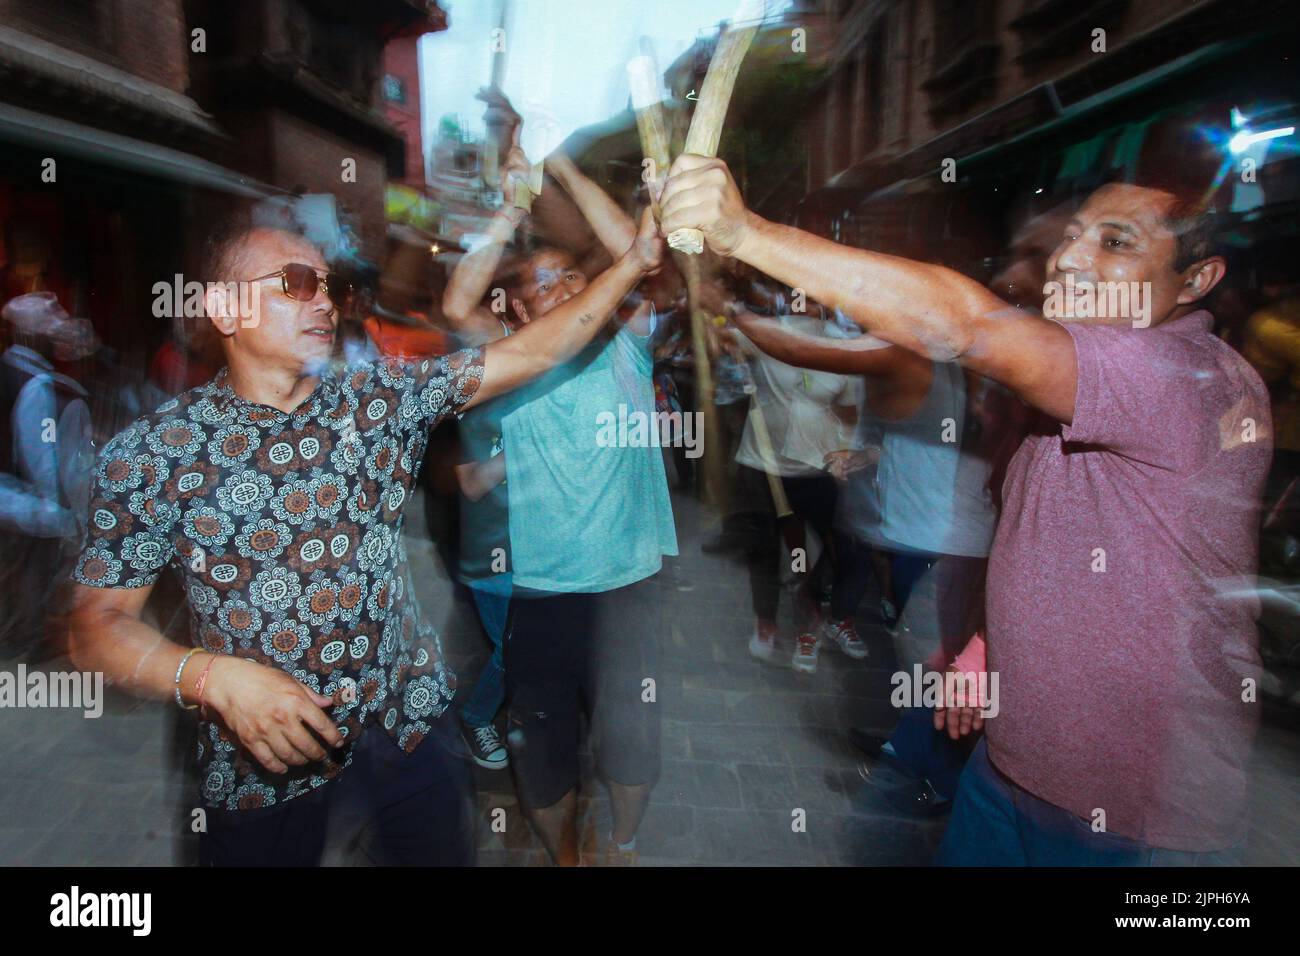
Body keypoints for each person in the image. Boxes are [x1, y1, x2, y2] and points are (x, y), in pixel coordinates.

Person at [660, 151, 1272, 864]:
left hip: (1135, 817)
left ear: (1197, 280)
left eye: (1114, 242)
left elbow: (967, 325)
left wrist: (745, 233)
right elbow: (1047, 541)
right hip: (1013, 766)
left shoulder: (1182, 374)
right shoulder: (1082, 373)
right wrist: (983, 649)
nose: (1068, 260)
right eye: (1072, 235)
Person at [67, 206, 663, 866]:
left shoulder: (375, 400)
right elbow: (95, 626)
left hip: (407, 727)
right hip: (263, 765)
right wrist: (210, 679)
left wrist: (634, 261)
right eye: (296, 283)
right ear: (225, 308)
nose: (323, 301)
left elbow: (533, 351)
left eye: (327, 285)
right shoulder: (153, 455)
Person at [444, 140, 678, 865]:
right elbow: (456, 304)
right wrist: (510, 207)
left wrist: (562, 166)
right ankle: (566, 859)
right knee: (542, 749)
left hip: (629, 587)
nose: (566, 286)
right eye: (543, 284)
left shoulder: (626, 346)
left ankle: (625, 843)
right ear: (517, 310)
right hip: (542, 590)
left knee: (632, 742)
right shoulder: (513, 361)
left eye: (573, 274)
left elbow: (643, 255)